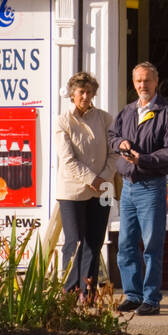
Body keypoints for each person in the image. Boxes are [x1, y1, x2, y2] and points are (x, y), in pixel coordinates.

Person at [108, 61, 168, 315]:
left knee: (151, 245)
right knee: (127, 244)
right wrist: (121, 143)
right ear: (133, 83)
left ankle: (151, 299)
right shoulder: (127, 112)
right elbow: (111, 137)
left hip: (151, 186)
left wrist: (144, 159)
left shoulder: (167, 112)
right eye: (139, 81)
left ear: (156, 82)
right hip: (128, 187)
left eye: (147, 80)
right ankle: (133, 294)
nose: (143, 85)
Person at [54, 71, 117, 304]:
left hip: (103, 189)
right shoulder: (63, 121)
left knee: (95, 240)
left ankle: (87, 292)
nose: (86, 95)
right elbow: (68, 160)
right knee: (75, 240)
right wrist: (93, 179)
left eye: (90, 91)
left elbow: (115, 153)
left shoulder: (105, 119)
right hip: (73, 190)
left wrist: (104, 178)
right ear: (72, 94)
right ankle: (69, 291)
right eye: (81, 91)